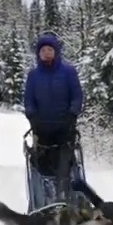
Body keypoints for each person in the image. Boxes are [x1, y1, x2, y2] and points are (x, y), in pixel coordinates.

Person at [23, 32, 84, 195]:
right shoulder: (33, 76)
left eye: (50, 50)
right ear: (38, 54)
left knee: (64, 164)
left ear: (56, 52)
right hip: (41, 128)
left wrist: (72, 114)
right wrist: (32, 116)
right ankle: (44, 197)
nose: (46, 53)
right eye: (43, 50)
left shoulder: (68, 72)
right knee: (41, 165)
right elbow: (28, 100)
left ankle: (65, 195)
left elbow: (77, 96)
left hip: (65, 126)